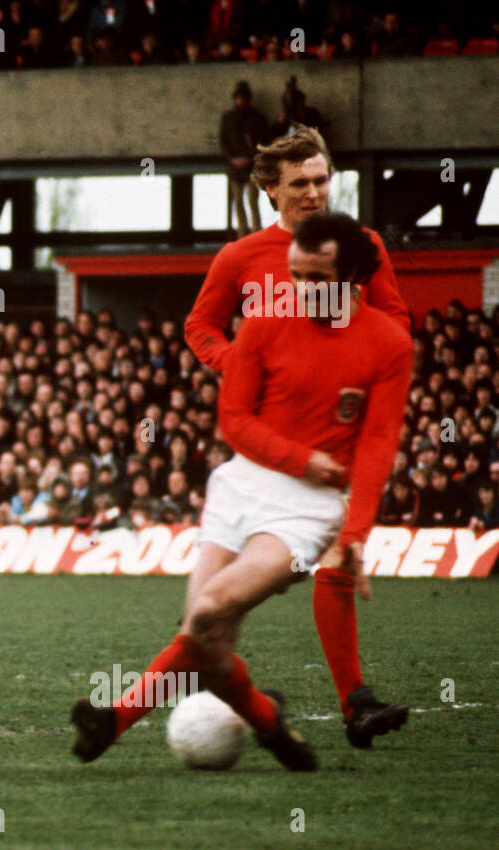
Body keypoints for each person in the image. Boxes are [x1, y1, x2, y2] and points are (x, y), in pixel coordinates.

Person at [72, 212, 413, 771]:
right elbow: (233, 419)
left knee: (209, 609)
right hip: (241, 483)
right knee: (206, 642)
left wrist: (354, 533)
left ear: (353, 277)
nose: (299, 290)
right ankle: (271, 725)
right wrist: (302, 457)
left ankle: (113, 720)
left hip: (308, 511)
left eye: (315, 278)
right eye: (294, 275)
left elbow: (378, 446)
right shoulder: (265, 322)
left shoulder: (388, 344)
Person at [183, 126, 412, 744]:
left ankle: (354, 702)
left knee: (341, 551)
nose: (314, 193)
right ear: (270, 190)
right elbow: (200, 325)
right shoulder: (240, 257)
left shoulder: (361, 246)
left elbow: (394, 318)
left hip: (335, 431)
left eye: (321, 180)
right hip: (265, 436)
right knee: (224, 591)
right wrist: (234, 363)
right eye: (300, 183)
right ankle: (235, 685)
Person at [219, 80, 267, 237]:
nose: (240, 100)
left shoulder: (257, 118)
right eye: (238, 97)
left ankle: (257, 233)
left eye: (243, 97)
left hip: (252, 166)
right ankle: (242, 234)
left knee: (253, 200)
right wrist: (232, 159)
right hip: (235, 166)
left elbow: (262, 142)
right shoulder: (228, 118)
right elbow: (223, 141)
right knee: (238, 201)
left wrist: (249, 158)